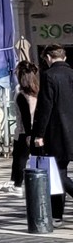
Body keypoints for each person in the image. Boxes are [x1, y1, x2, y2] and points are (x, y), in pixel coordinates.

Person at [32, 46, 73, 222]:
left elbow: (45, 107)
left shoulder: (49, 76)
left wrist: (39, 134)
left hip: (58, 131)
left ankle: (57, 213)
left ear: (48, 57)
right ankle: (56, 213)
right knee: (58, 171)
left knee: (57, 171)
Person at [9, 63, 39, 192]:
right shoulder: (38, 93)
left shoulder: (21, 95)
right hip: (38, 129)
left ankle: (17, 183)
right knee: (36, 158)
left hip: (24, 130)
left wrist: (28, 134)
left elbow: (25, 116)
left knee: (20, 158)